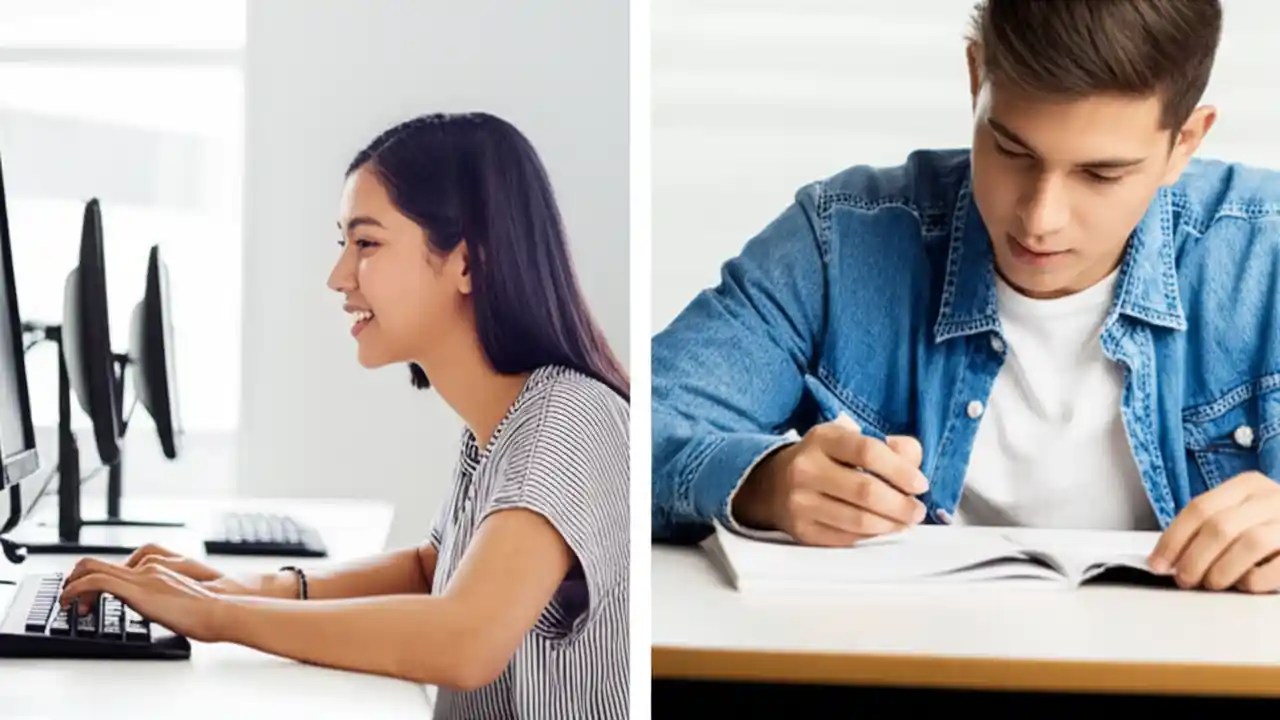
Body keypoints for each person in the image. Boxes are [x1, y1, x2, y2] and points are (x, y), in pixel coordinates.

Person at [652, 0, 1280, 594]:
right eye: (1011, 150)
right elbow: (636, 434)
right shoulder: (839, 243)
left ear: (1184, 142)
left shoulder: (1265, 256)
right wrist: (764, 485)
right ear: (976, 76)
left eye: (1101, 174)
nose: (1040, 218)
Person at [58, 112, 631, 718]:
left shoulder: (569, 421)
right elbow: (431, 569)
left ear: (468, 262)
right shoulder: (502, 425)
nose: (338, 277)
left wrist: (216, 615)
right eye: (344, 244)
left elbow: (465, 640)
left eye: (367, 244)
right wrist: (250, 586)